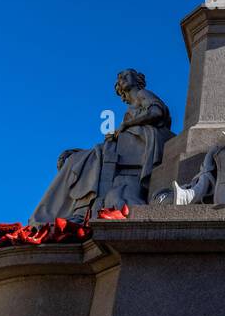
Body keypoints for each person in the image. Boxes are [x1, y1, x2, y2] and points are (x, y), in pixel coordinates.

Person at [29, 69, 172, 224]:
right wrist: (118, 133)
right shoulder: (132, 105)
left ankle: (81, 209)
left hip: (144, 141)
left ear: (137, 79)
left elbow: (157, 111)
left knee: (80, 160)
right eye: (119, 78)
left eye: (126, 75)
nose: (121, 78)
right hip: (133, 142)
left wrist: (125, 125)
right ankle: (80, 208)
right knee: (79, 158)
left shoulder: (142, 93)